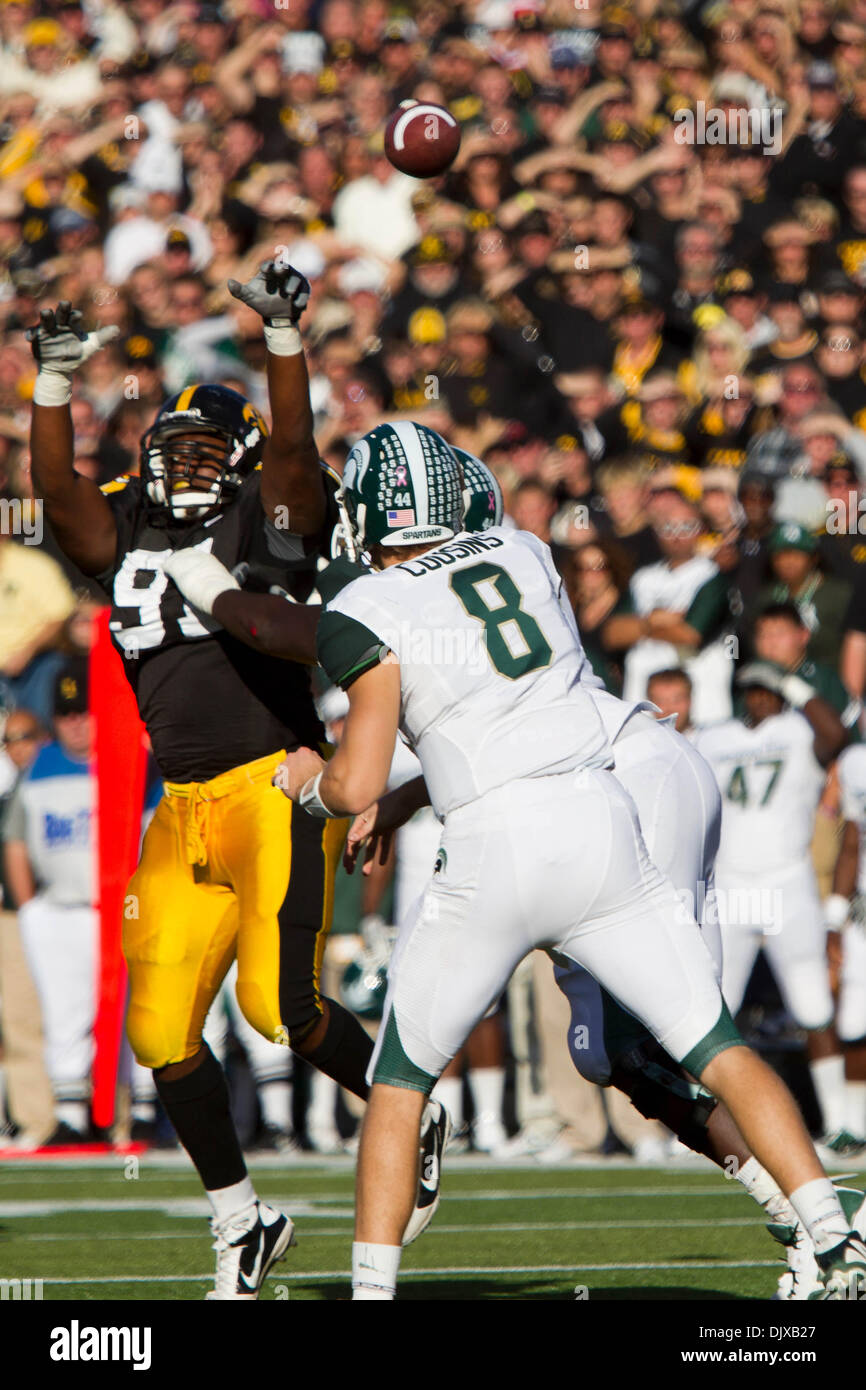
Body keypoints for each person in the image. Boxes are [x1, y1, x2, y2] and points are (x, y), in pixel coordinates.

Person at [275, 419, 866, 1300]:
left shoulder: (363, 607)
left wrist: (309, 785)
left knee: (401, 1082)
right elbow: (504, 705)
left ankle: (371, 1293)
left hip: (511, 834)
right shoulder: (525, 549)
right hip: (604, 808)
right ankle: (827, 1233)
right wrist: (402, 795)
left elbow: (358, 774)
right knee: (697, 1044)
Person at [25, 271, 437, 1302]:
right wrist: (48, 386)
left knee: (278, 1007)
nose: (190, 465)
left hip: (271, 787)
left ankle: (410, 1104)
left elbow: (295, 450)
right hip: (183, 806)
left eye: (211, 449)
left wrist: (286, 337)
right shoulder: (122, 520)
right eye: (175, 447)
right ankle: (241, 1220)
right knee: (160, 1035)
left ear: (244, 460)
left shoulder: (268, 510)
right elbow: (58, 492)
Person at [694, 661, 849, 1140]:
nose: (759, 698)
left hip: (787, 881)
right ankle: (706, 1122)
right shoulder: (715, 736)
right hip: (732, 883)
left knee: (812, 1005)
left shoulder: (799, 729)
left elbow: (837, 736)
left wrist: (793, 684)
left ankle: (842, 1122)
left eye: (768, 689)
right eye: (752, 689)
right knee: (714, 1005)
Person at [2, 658, 96, 1143]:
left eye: (84, 711)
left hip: (120, 909)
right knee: (64, 1014)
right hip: (60, 908)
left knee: (129, 1015)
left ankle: (139, 1113)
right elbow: (15, 839)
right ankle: (72, 1115)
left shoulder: (128, 761)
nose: (75, 722)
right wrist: (30, 906)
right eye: (66, 714)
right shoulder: (39, 766)